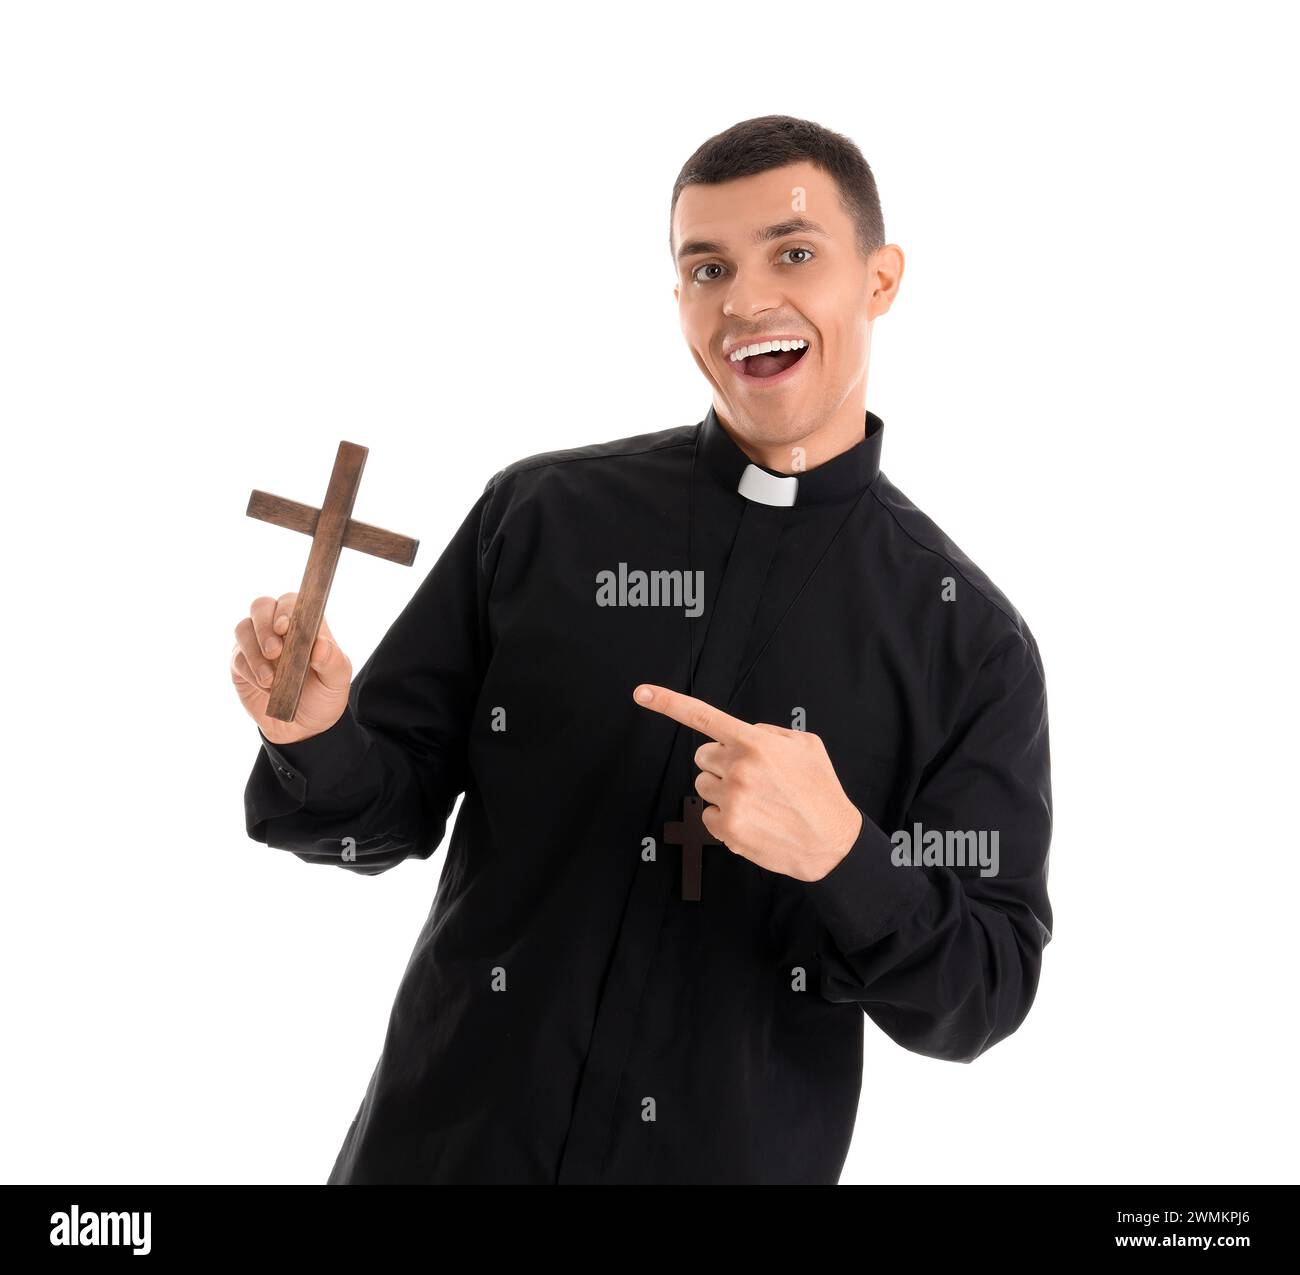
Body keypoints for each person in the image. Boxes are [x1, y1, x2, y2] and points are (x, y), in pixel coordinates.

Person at [233, 114, 1053, 1185]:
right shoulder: (539, 517)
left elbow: (981, 992)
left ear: (880, 279)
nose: (746, 300)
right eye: (707, 267)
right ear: (679, 302)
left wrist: (843, 855)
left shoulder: (967, 642)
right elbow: (376, 820)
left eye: (793, 253)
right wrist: (321, 733)